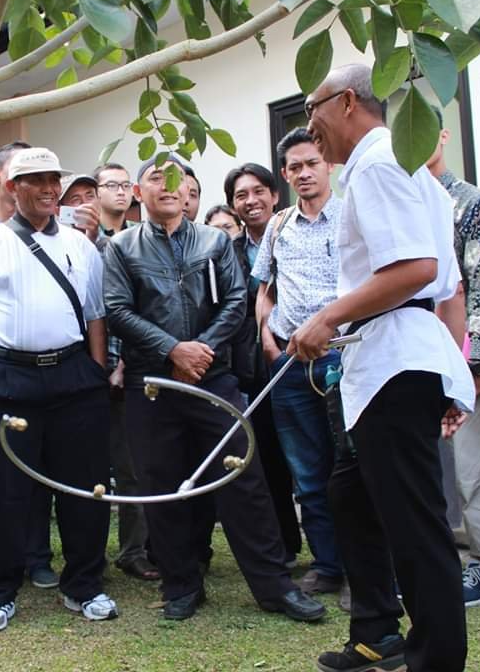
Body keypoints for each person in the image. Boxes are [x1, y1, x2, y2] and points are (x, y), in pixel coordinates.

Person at [295, 64, 473, 672]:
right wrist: (453, 372)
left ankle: (436, 659)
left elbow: (418, 269)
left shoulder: (376, 162)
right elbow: (442, 285)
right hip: (389, 361)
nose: (308, 127)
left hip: (396, 361)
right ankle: (377, 630)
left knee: (416, 525)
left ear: (346, 101)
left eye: (311, 109)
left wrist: (326, 318)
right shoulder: (401, 165)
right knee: (350, 493)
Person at [103, 156, 326, 624]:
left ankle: (273, 587)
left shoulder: (213, 242)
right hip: (153, 385)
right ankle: (181, 584)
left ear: (188, 191)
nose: (167, 186)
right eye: (154, 178)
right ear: (139, 193)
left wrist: (199, 350)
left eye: (176, 179)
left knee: (244, 481)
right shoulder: (122, 248)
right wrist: (172, 350)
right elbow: (118, 310)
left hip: (215, 378)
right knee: (163, 487)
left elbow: (236, 302)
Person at [0, 146, 117, 632]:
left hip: (73, 376)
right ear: (11, 186)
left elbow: (95, 317)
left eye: (54, 180)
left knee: (86, 487)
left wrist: (96, 371)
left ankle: (84, 584)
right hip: (5, 378)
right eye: (36, 180)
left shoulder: (81, 245)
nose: (49, 189)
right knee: (1, 491)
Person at [251, 130, 345, 597]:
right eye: (294, 167)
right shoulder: (279, 224)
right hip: (288, 362)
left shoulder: (352, 215)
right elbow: (263, 286)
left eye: (312, 163)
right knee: (308, 473)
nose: (304, 173)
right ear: (285, 175)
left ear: (328, 165)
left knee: (353, 467)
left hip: (344, 356)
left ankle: (366, 567)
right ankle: (328, 565)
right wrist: (267, 336)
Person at [426, 113, 480, 607]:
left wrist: (475, 363)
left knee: (469, 461)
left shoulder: (471, 202)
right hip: (416, 353)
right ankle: (440, 557)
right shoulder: (409, 199)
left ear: (443, 136)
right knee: (427, 465)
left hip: (461, 353)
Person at [223, 161, 302, 573]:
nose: (250, 201)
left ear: (274, 194)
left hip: (295, 360)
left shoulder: (295, 235)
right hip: (248, 370)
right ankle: (285, 545)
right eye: (240, 195)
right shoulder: (229, 249)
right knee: (266, 459)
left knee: (306, 459)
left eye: (258, 191)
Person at [90, 162, 157, 581]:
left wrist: (125, 362)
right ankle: (89, 552)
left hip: (130, 368)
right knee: (90, 467)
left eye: (121, 184)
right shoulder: (81, 242)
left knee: (134, 466)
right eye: (107, 185)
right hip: (88, 370)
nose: (117, 192)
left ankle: (134, 550)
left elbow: (141, 310)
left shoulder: (138, 242)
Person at [59, 173, 103, 244]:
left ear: (99, 200)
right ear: (59, 210)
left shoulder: (115, 243)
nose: (85, 203)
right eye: (75, 199)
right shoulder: (60, 244)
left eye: (90, 196)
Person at [95, 163, 136, 239]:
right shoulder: (87, 234)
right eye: (112, 185)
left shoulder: (141, 233)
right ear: (96, 191)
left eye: (126, 185)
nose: (121, 192)